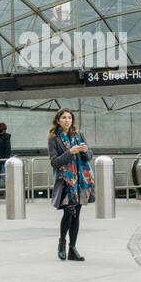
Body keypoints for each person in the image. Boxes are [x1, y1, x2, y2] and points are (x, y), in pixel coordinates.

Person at [47, 108, 94, 262]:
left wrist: (85, 151)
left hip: (81, 180)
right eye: (64, 118)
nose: (67, 120)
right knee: (68, 212)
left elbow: (89, 156)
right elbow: (54, 162)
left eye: (69, 118)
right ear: (58, 120)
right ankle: (62, 243)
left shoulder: (79, 135)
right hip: (66, 181)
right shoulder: (54, 138)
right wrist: (70, 152)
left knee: (76, 213)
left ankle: (72, 248)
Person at [0, 123, 12, 191]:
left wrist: (5, 158)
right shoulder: (6, 137)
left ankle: (9, 189)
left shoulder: (5, 137)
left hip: (2, 159)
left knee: (2, 175)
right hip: (0, 159)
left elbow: (7, 149)